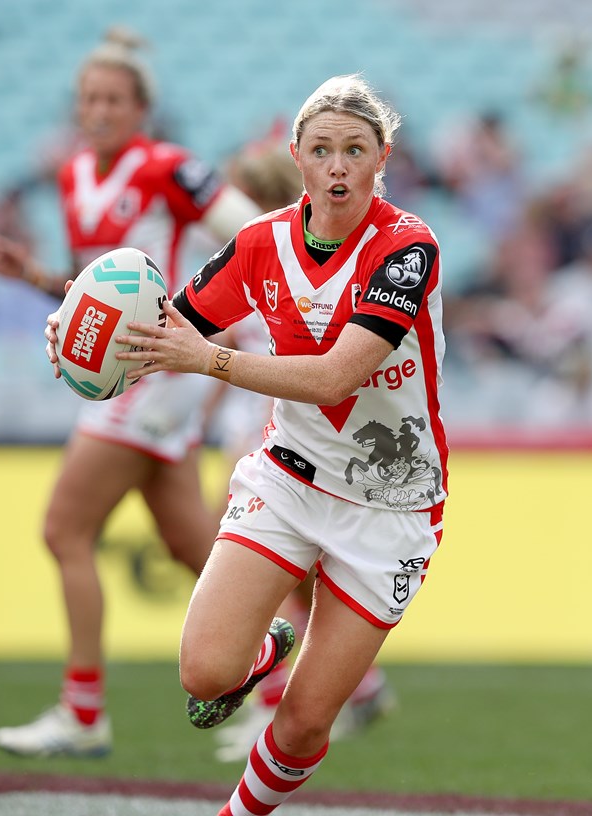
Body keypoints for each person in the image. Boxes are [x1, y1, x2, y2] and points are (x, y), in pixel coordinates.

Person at [47, 73, 448, 815]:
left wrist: (214, 361)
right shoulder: (258, 244)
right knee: (204, 675)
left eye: (354, 150)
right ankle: (266, 647)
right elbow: (173, 328)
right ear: (296, 155)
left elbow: (335, 378)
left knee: (301, 724)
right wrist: (83, 330)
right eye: (321, 148)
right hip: (288, 482)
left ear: (380, 157)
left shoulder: (406, 248)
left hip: (389, 507)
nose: (336, 166)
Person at [0, 29, 261, 758]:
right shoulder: (75, 174)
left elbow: (252, 237)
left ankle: (83, 712)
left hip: (153, 377)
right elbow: (95, 289)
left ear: (143, 107)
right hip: (134, 379)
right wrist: (39, 279)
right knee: (195, 547)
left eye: (113, 98)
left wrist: (211, 323)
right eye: (88, 98)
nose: (98, 110)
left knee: (64, 530)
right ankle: (278, 673)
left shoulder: (169, 167)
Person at [207, 131, 396, 763]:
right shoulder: (276, 250)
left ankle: (272, 695)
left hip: (275, 411)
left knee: (275, 563)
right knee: (296, 571)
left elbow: (281, 352)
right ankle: (355, 685)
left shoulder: (276, 253)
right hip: (268, 404)